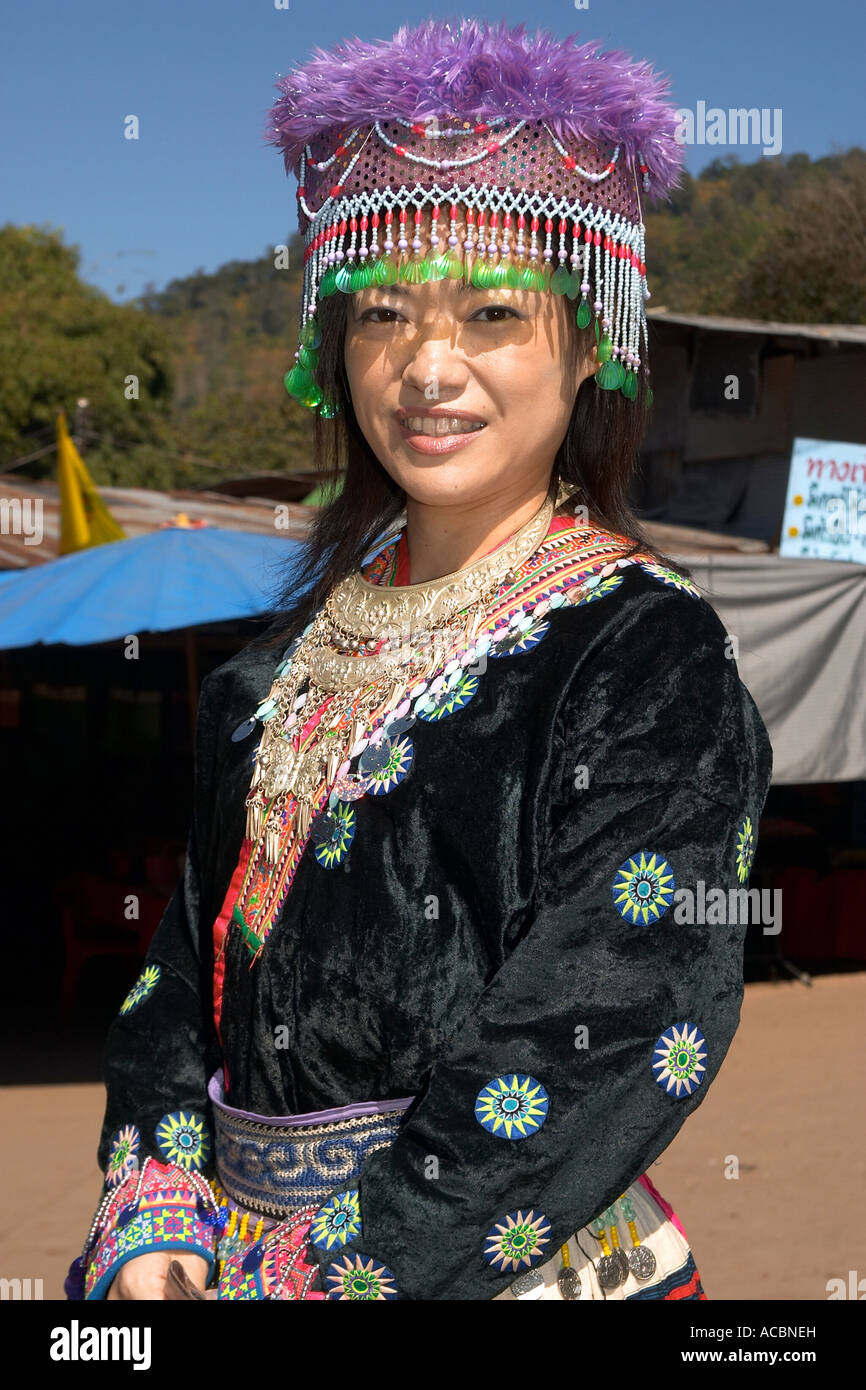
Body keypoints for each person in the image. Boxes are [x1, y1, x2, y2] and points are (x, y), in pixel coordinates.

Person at [68, 18, 772, 1302]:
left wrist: (339, 1270)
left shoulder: (643, 654)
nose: (426, 369)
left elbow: (616, 1014)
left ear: (589, 344)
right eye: (382, 314)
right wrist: (157, 1199)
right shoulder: (270, 669)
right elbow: (182, 962)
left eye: (491, 314)